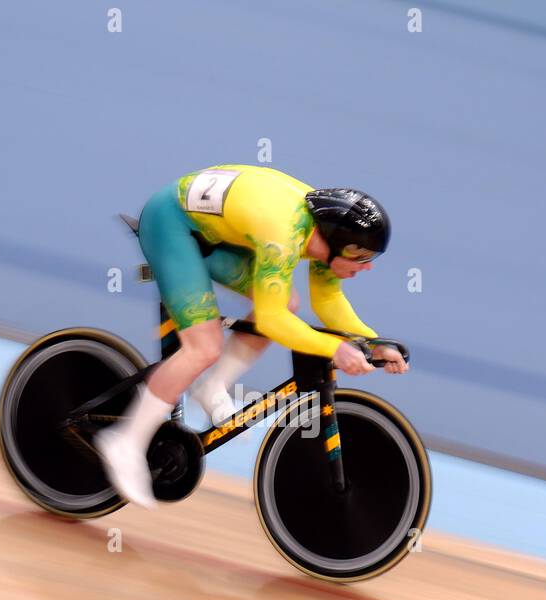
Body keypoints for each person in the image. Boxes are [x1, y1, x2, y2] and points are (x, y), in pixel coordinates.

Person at [97, 164, 406, 507]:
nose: (368, 266)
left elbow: (328, 301)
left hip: (209, 234)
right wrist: (336, 348)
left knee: (284, 302)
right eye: (362, 256)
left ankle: (211, 387)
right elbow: (271, 323)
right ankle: (126, 442)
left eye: (372, 258)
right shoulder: (283, 233)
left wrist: (372, 344)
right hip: (170, 225)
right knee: (204, 346)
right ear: (338, 243)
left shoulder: (323, 236)